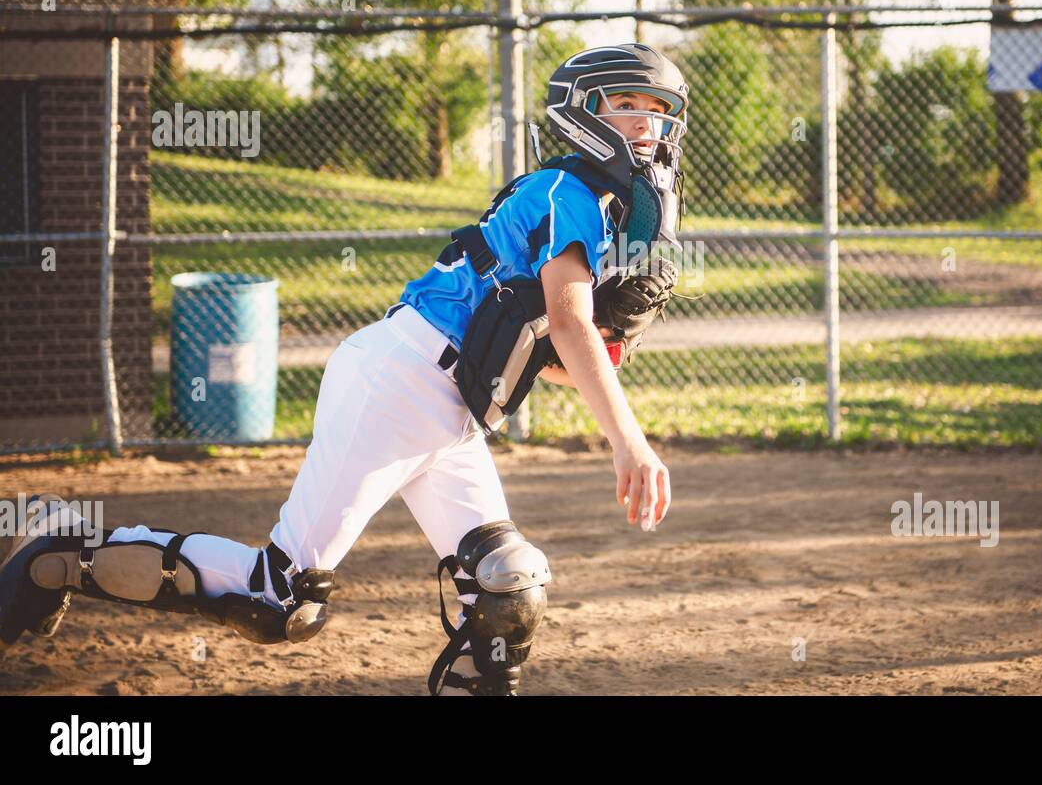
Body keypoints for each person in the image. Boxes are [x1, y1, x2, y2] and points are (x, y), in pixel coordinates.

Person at [0, 43, 689, 697]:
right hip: (401, 382)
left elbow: (557, 346)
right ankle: (64, 551)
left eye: (656, 109)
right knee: (281, 599)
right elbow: (567, 324)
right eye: (627, 102)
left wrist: (609, 344)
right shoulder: (573, 191)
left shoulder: (603, 211)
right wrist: (629, 443)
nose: (646, 122)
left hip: (445, 406)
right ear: (583, 112)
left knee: (507, 585)